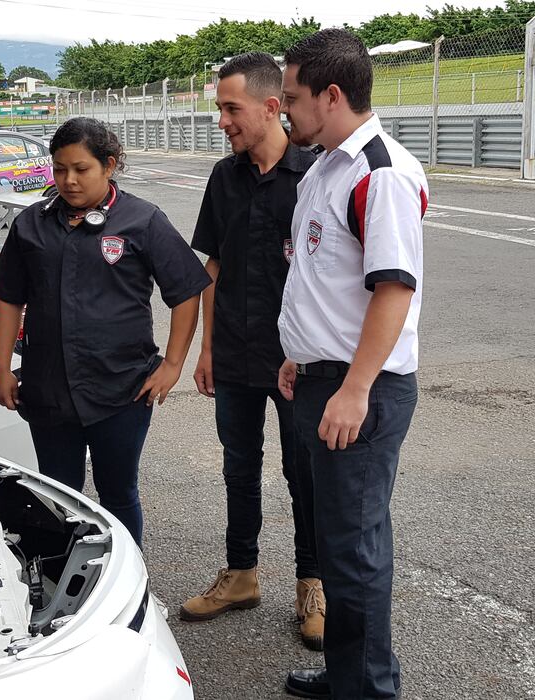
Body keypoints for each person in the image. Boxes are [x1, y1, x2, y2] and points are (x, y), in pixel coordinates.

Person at [276, 29, 428, 700]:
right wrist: (299, 357)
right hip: (322, 379)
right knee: (342, 541)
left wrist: (354, 386)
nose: (285, 109)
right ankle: (348, 675)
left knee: (354, 548)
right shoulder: (329, 165)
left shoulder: (380, 172)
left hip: (358, 390)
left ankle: (366, 689)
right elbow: (322, 276)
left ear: (331, 95)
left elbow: (394, 288)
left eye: (292, 97)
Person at [0, 117, 210, 547]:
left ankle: (128, 587)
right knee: (55, 496)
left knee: (118, 493)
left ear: (109, 166)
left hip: (122, 390)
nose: (68, 180)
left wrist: (173, 364)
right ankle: (57, 590)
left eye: (81, 169)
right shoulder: (32, 224)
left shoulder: (142, 220)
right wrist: (2, 369)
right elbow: (9, 299)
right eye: (59, 169)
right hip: (47, 389)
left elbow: (186, 291)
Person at [179, 51, 325, 651]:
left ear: (271, 108)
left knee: (304, 473)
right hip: (235, 352)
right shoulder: (223, 177)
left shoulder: (315, 174)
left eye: (230, 108)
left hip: (299, 357)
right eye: (219, 108)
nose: (222, 121)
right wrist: (207, 349)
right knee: (239, 467)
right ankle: (241, 574)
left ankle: (312, 584)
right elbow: (212, 266)